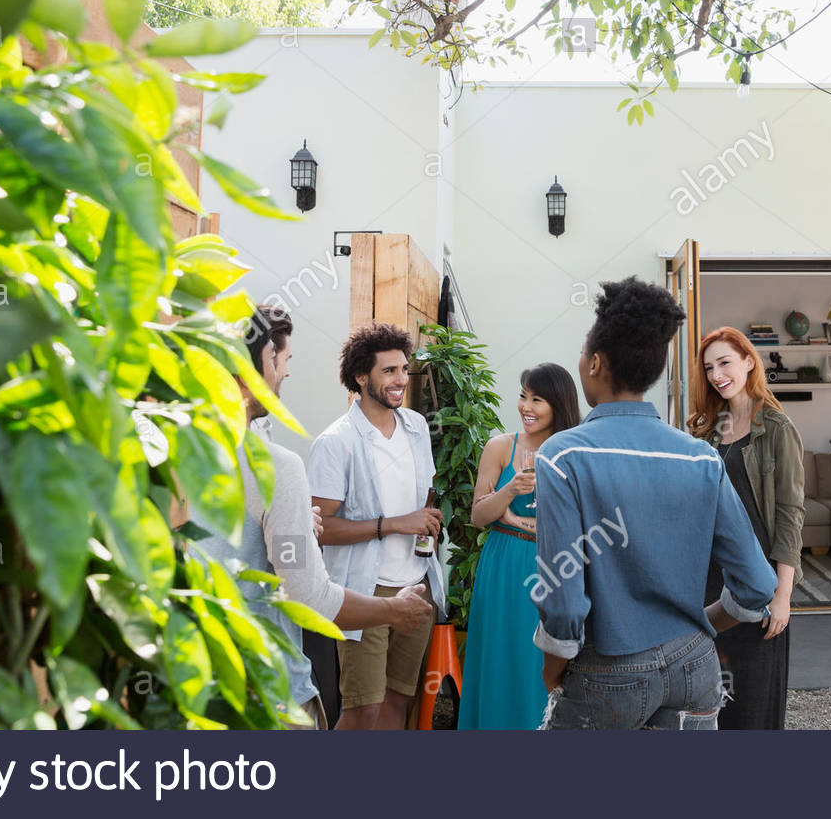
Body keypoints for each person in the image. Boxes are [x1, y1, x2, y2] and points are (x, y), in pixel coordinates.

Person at [532, 277, 777, 730]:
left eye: (584, 353)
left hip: (607, 672)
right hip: (696, 669)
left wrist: (551, 674)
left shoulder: (563, 456)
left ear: (596, 363)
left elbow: (564, 606)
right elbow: (759, 584)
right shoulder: (700, 457)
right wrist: (695, 626)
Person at [193, 306, 433, 729]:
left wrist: (298, 523)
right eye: (282, 361)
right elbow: (308, 595)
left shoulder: (169, 448)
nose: (286, 374)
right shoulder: (282, 464)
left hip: (195, 672)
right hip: (269, 684)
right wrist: (393, 609)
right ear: (257, 366)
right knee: (363, 709)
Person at [309, 322, 445, 730]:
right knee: (361, 709)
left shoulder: (417, 427)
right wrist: (394, 524)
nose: (401, 379)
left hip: (417, 582)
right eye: (389, 371)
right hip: (364, 590)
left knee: (398, 701)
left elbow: (425, 494)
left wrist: (425, 521)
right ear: (360, 376)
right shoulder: (336, 442)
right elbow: (322, 529)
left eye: (404, 369)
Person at [689, 326, 806, 730]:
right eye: (709, 368)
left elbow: (791, 514)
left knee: (753, 701)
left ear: (749, 362)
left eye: (725, 362)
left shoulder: (776, 428)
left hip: (757, 581)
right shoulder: (703, 430)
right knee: (708, 699)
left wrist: (783, 595)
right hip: (707, 580)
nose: (717, 374)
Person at [458, 363, 581, 730]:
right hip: (503, 565)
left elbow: (579, 523)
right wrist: (510, 491)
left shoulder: (572, 451)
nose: (526, 406)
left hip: (552, 566)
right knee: (499, 655)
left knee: (539, 662)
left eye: (537, 399)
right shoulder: (500, 447)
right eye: (523, 396)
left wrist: (516, 520)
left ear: (558, 404)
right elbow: (480, 516)